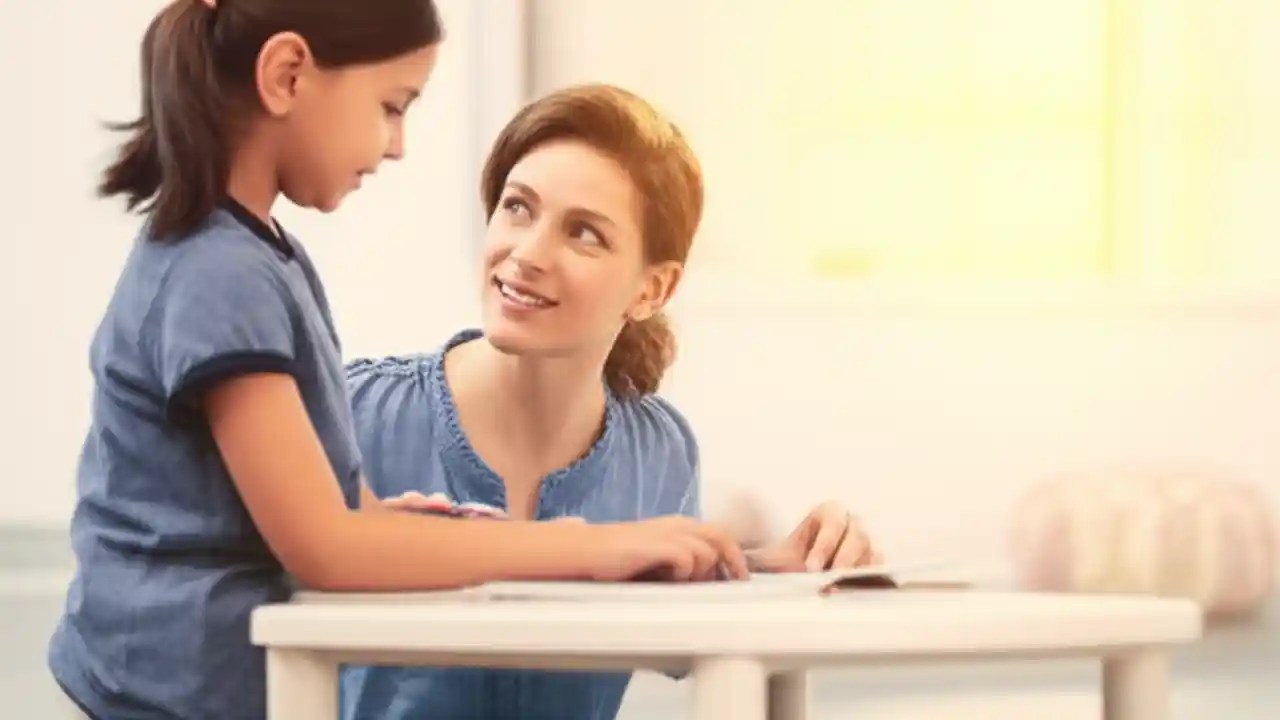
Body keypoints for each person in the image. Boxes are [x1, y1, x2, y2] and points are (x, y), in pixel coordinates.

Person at [47, 5, 748, 719]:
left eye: (585, 233)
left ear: (652, 288)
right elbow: (327, 549)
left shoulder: (259, 260)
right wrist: (579, 548)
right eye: (392, 106)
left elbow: (335, 522)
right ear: (287, 75)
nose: (397, 146)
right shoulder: (220, 274)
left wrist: (393, 526)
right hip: (160, 698)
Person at [341, 84, 880, 720]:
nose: (528, 254)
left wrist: (779, 572)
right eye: (518, 208)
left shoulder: (660, 451)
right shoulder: (358, 413)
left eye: (584, 234)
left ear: (653, 288)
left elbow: (669, 625)